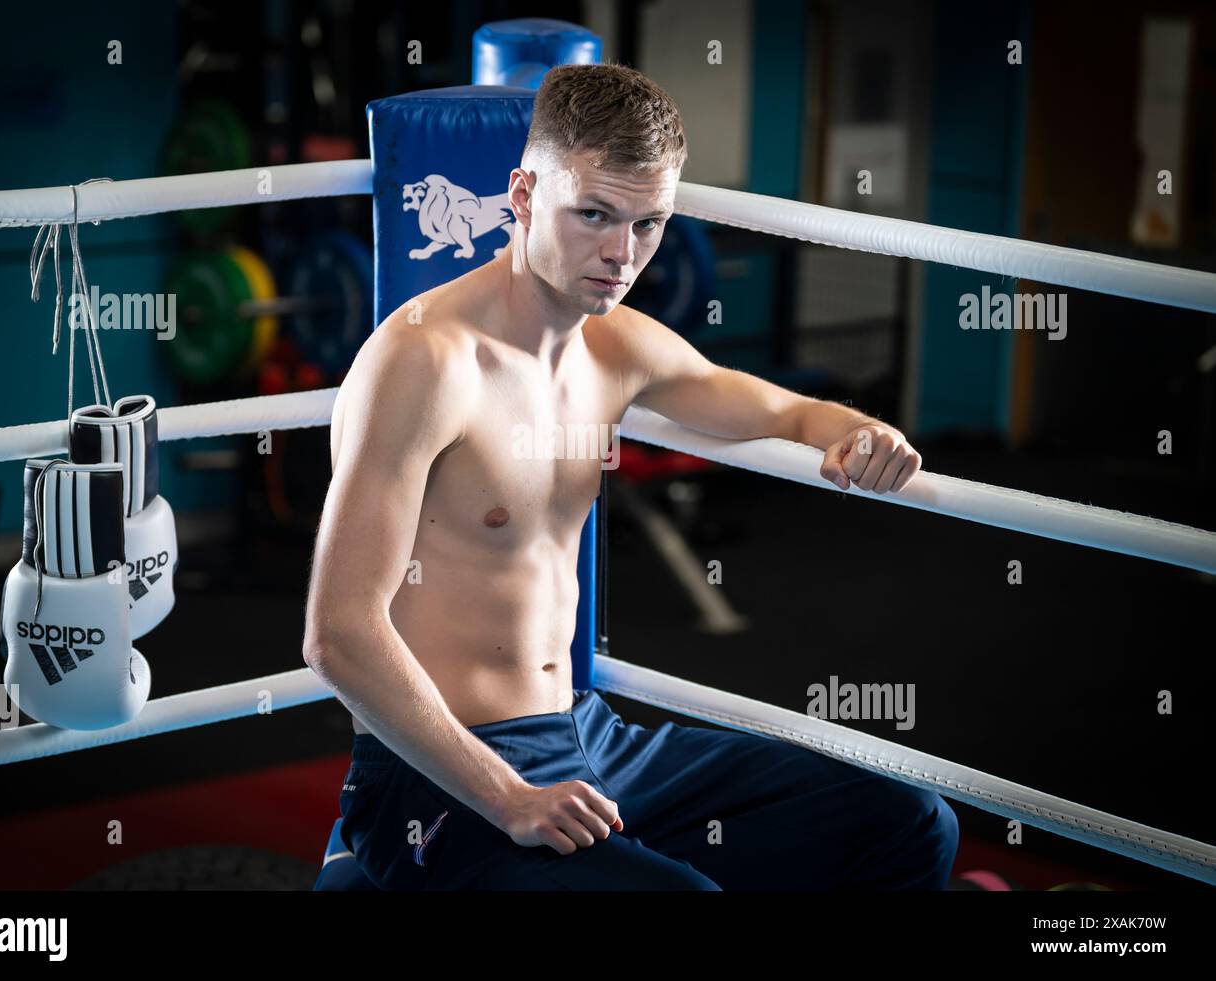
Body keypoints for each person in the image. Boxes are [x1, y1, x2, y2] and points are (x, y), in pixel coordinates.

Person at [302, 63, 958, 890]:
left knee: (907, 822)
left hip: (589, 736)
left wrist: (855, 428)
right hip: (438, 774)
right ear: (523, 194)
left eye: (649, 223)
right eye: (594, 215)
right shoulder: (425, 363)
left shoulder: (615, 348)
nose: (622, 253)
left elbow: (774, 409)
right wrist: (508, 796)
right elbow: (338, 635)